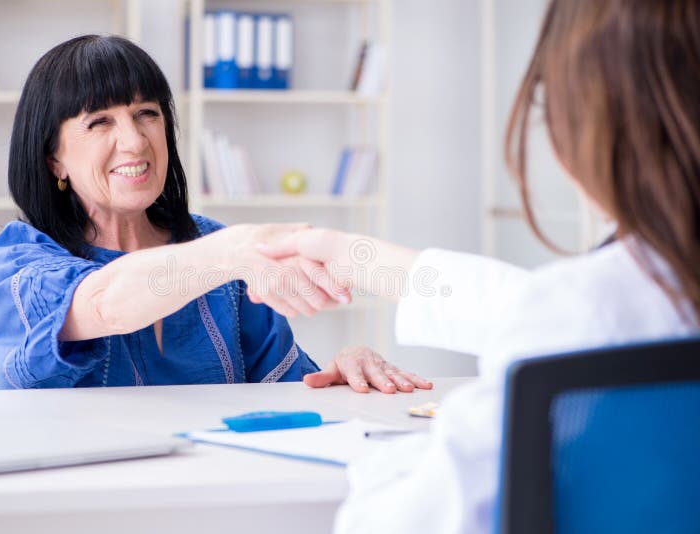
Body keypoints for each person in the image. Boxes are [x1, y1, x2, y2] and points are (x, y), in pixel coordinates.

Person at [254, 0, 700, 532]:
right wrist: (356, 257)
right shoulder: (595, 308)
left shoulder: (582, 311)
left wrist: (394, 462)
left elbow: (403, 522)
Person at [0, 34, 432, 393]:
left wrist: (343, 373)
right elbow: (103, 303)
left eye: (147, 113)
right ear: (53, 159)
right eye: (99, 122)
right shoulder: (18, 262)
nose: (135, 141)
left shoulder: (218, 249)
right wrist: (231, 252)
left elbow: (286, 393)